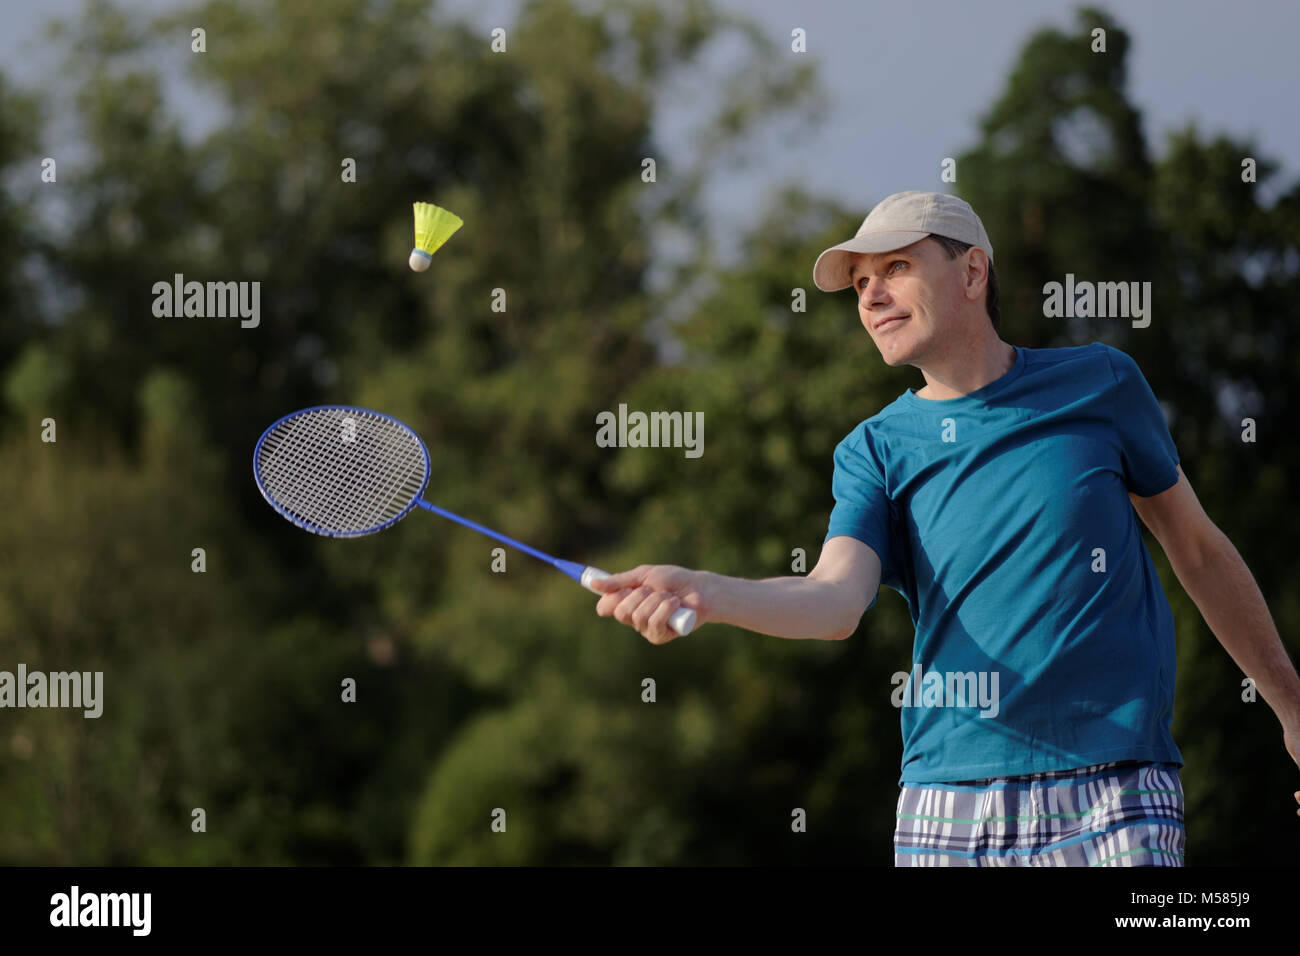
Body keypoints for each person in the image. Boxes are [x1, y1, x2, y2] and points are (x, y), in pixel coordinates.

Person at [589, 190, 1300, 866]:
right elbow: (834, 601)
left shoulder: (1103, 384)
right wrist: (707, 593)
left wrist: (1294, 710)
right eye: (861, 280)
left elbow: (1201, 554)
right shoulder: (874, 449)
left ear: (971, 270)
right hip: (947, 805)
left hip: (1114, 789)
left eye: (895, 266)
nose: (870, 295)